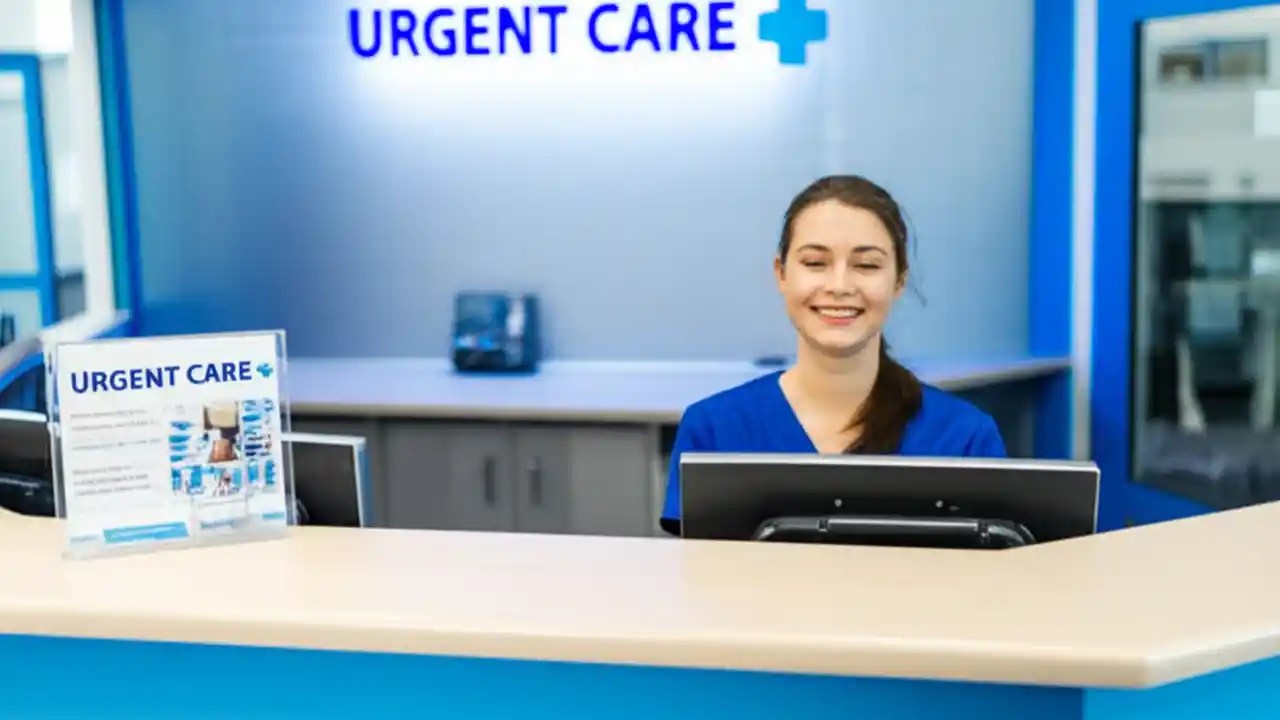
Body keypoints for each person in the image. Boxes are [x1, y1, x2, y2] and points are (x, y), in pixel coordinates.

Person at [660, 175, 1006, 535]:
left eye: (867, 265)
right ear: (781, 274)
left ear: (899, 280)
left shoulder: (965, 438)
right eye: (815, 263)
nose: (839, 286)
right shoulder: (714, 431)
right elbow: (697, 580)